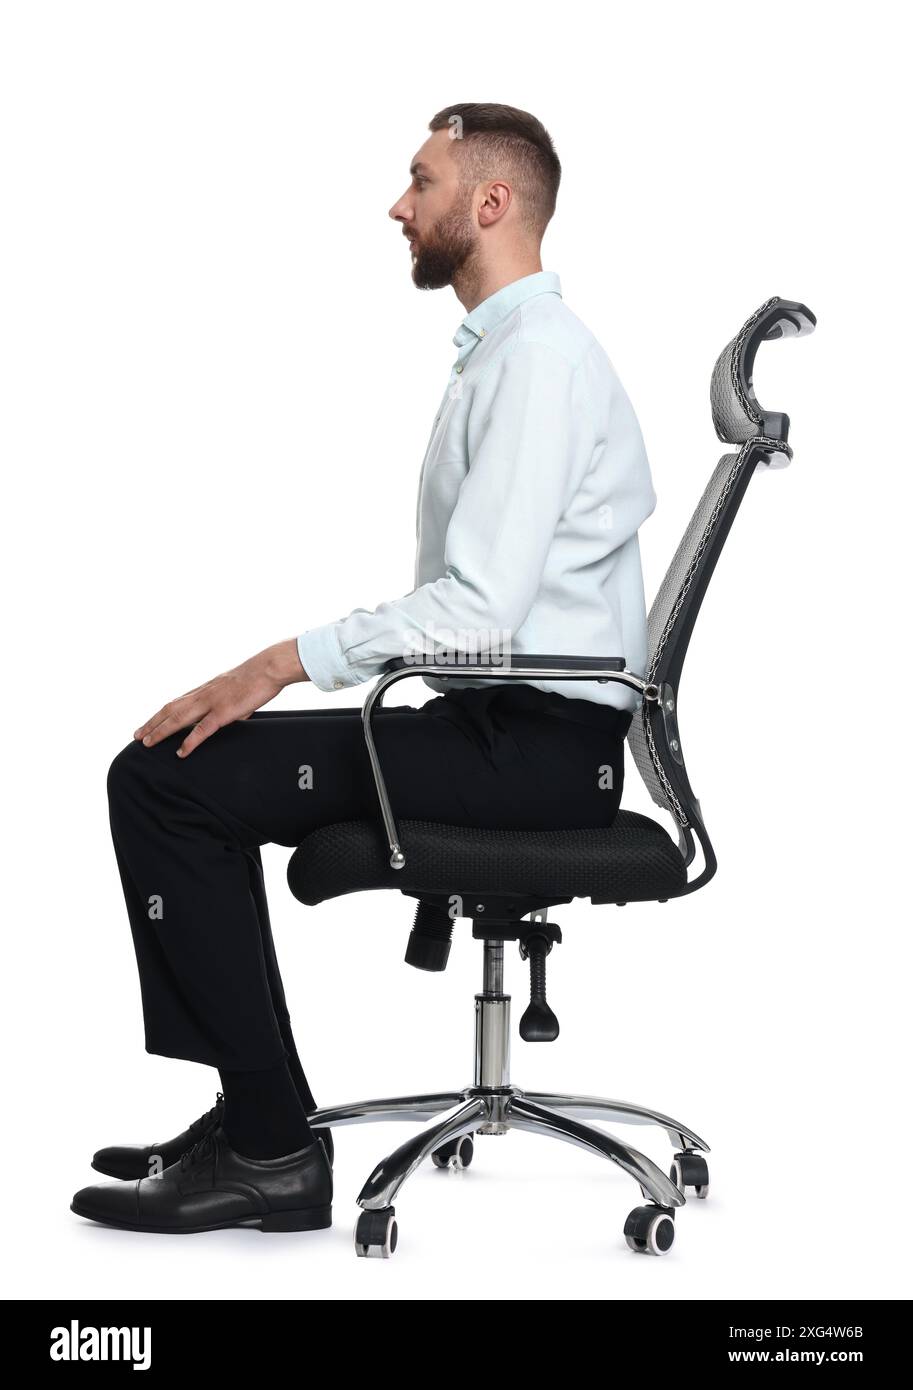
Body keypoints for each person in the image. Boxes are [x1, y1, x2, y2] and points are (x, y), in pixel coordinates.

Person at [71, 103, 657, 1235]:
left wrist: (283, 662)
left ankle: (272, 1147)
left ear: (489, 205)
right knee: (174, 766)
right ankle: (259, 1110)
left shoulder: (537, 363)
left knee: (164, 779)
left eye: (421, 181)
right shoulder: (514, 354)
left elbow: (482, 609)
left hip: (532, 753)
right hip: (509, 738)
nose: (400, 206)